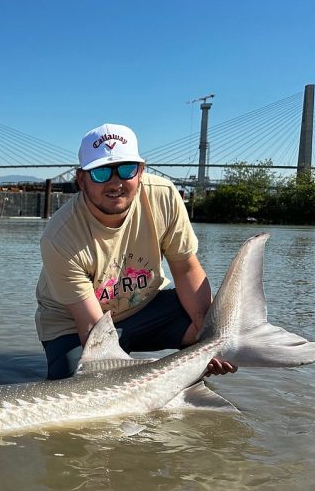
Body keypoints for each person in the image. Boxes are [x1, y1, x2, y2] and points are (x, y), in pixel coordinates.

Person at [35, 122, 236, 379]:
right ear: (81, 180)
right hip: (73, 324)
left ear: (140, 172)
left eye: (126, 169)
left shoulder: (164, 196)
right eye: (100, 173)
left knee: (214, 327)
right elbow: (92, 327)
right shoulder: (59, 237)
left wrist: (211, 341)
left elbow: (186, 270)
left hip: (145, 308)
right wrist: (126, 375)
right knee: (78, 385)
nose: (115, 183)